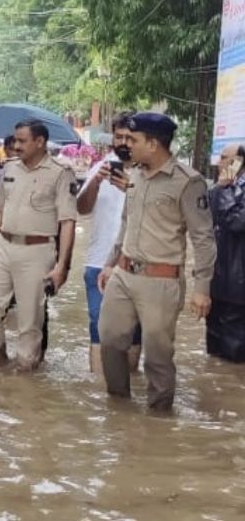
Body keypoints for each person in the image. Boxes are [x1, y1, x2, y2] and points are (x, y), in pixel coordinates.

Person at [98, 113, 215, 410]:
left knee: (158, 356)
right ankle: (119, 407)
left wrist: (202, 289)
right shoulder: (135, 175)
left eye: (133, 140)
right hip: (123, 273)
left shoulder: (189, 182)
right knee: (110, 339)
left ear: (153, 144)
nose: (127, 145)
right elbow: (127, 222)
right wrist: (111, 262)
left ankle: (159, 417)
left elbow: (203, 238)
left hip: (161, 280)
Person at [0, 120, 78, 370]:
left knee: (30, 320)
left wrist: (62, 265)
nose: (15, 146)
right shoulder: (9, 168)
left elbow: (67, 222)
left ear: (40, 142)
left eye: (22, 141)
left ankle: (26, 377)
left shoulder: (60, 172)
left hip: (38, 249)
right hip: (3, 244)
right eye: (15, 140)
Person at [77, 112, 142, 372]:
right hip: (98, 260)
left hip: (137, 264)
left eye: (130, 137)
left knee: (134, 329)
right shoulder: (100, 167)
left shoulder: (149, 173)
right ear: (112, 138)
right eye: (119, 136)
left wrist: (131, 187)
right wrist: (95, 181)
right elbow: (81, 209)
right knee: (97, 325)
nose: (124, 142)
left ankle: (126, 393)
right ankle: (98, 390)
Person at [209, 144, 245, 362]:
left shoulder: (226, 188)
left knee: (233, 350)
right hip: (217, 278)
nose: (219, 162)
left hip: (238, 284)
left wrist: (224, 189)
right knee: (214, 346)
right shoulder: (221, 188)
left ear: (239, 161)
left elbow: (236, 222)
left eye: (224, 158)